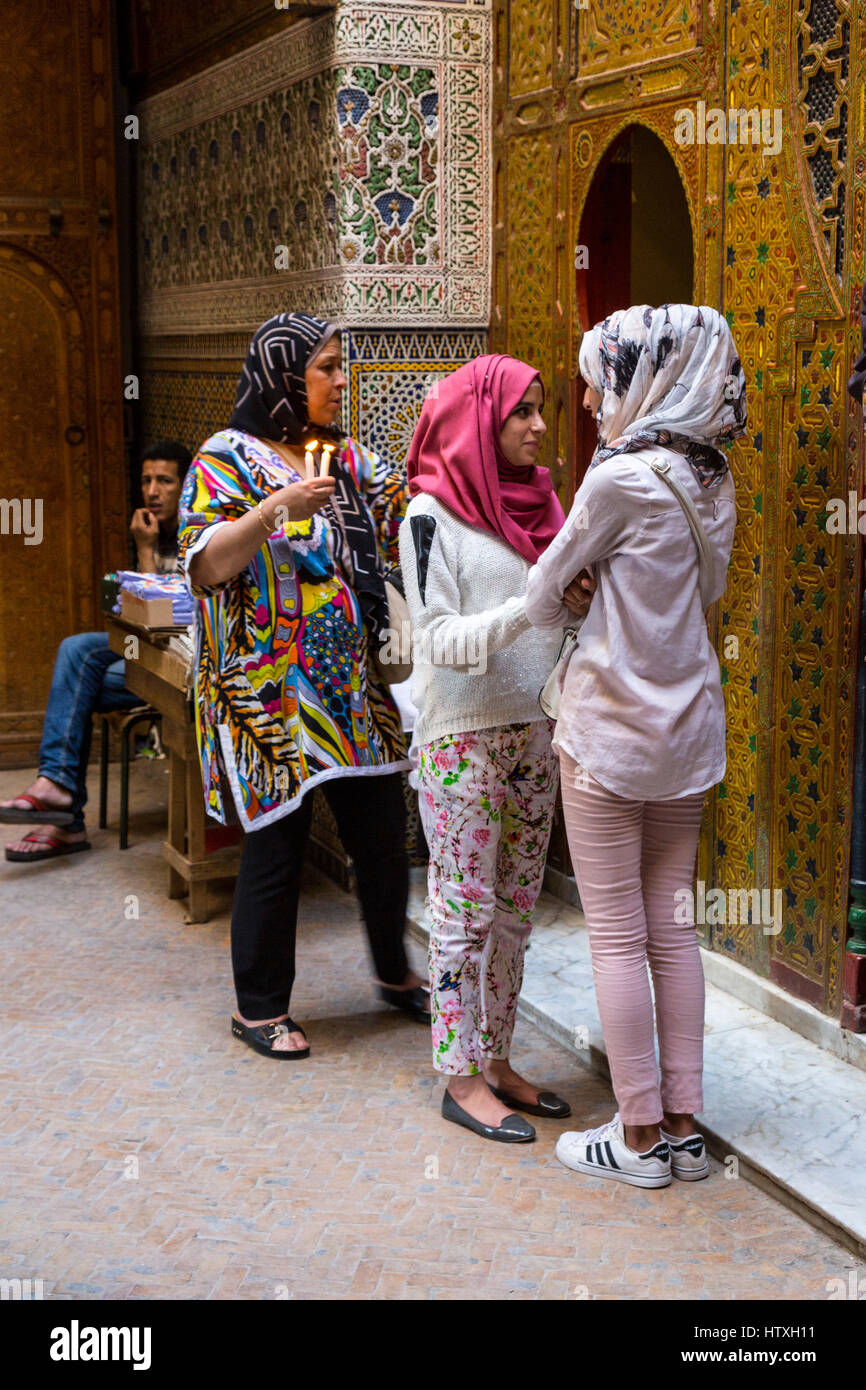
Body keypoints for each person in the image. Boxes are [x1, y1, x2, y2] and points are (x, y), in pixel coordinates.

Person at [525, 303, 745, 1187]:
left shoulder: (619, 480)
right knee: (673, 928)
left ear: (647, 376)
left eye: (598, 377)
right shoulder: (710, 475)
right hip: (688, 730)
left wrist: (578, 594)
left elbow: (543, 593)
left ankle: (640, 1139)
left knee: (615, 935)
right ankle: (685, 1127)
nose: (584, 396)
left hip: (612, 731)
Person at [180, 312, 427, 1061]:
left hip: (350, 690)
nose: (339, 381)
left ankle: (392, 973)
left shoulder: (347, 456)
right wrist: (271, 513)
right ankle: (260, 1008)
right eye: (326, 368)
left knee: (384, 837)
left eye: (340, 368)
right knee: (278, 845)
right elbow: (204, 565)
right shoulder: (226, 459)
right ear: (285, 375)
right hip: (266, 694)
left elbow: (405, 513)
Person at [400, 354, 593, 1143]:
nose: (540, 426)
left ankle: (500, 1060)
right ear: (480, 419)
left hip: (532, 734)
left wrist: (573, 607)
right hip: (460, 742)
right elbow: (441, 639)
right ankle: (459, 1075)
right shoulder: (427, 516)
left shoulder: (543, 504)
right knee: (463, 915)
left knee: (517, 913)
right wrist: (531, 605)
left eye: (543, 409)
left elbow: (559, 623)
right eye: (522, 413)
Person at [1, 440, 191, 863]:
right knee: (78, 654)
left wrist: (143, 551)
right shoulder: (156, 531)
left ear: (186, 484)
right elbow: (145, 621)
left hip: (183, 669)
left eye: (164, 480)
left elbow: (158, 623)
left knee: (78, 676)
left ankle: (62, 811)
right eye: (146, 480)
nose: (152, 491)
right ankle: (60, 799)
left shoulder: (196, 536)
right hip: (151, 657)